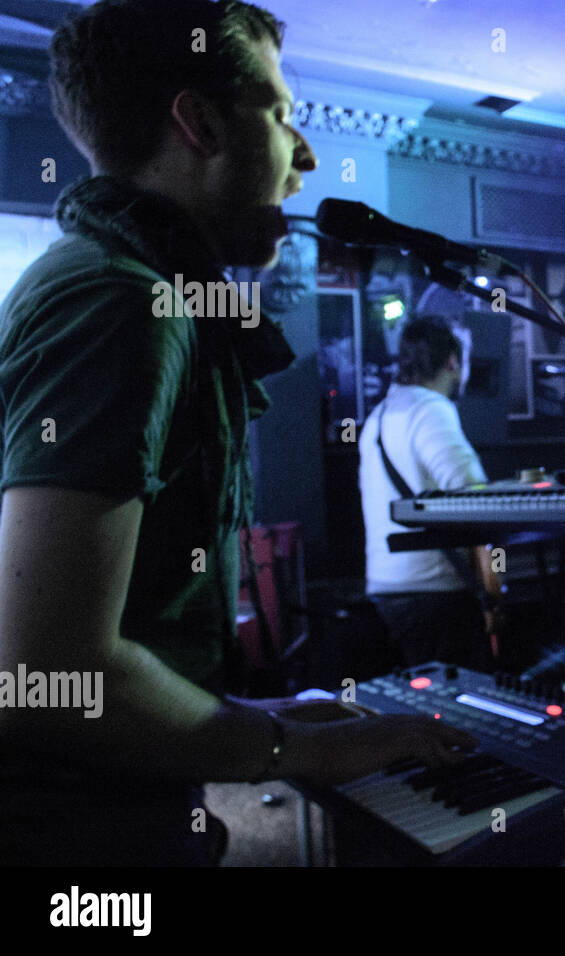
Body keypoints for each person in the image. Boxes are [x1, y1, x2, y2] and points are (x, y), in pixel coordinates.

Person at [0, 0, 473, 866]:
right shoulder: (124, 301)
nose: (308, 155)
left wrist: (261, 719)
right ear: (202, 121)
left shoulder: (110, 281)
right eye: (284, 114)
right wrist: (296, 751)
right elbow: (46, 675)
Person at [359, 318, 503, 670]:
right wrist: (494, 598)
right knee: (462, 705)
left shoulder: (379, 415)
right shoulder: (431, 410)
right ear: (453, 360)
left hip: (387, 586)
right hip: (435, 591)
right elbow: (478, 505)